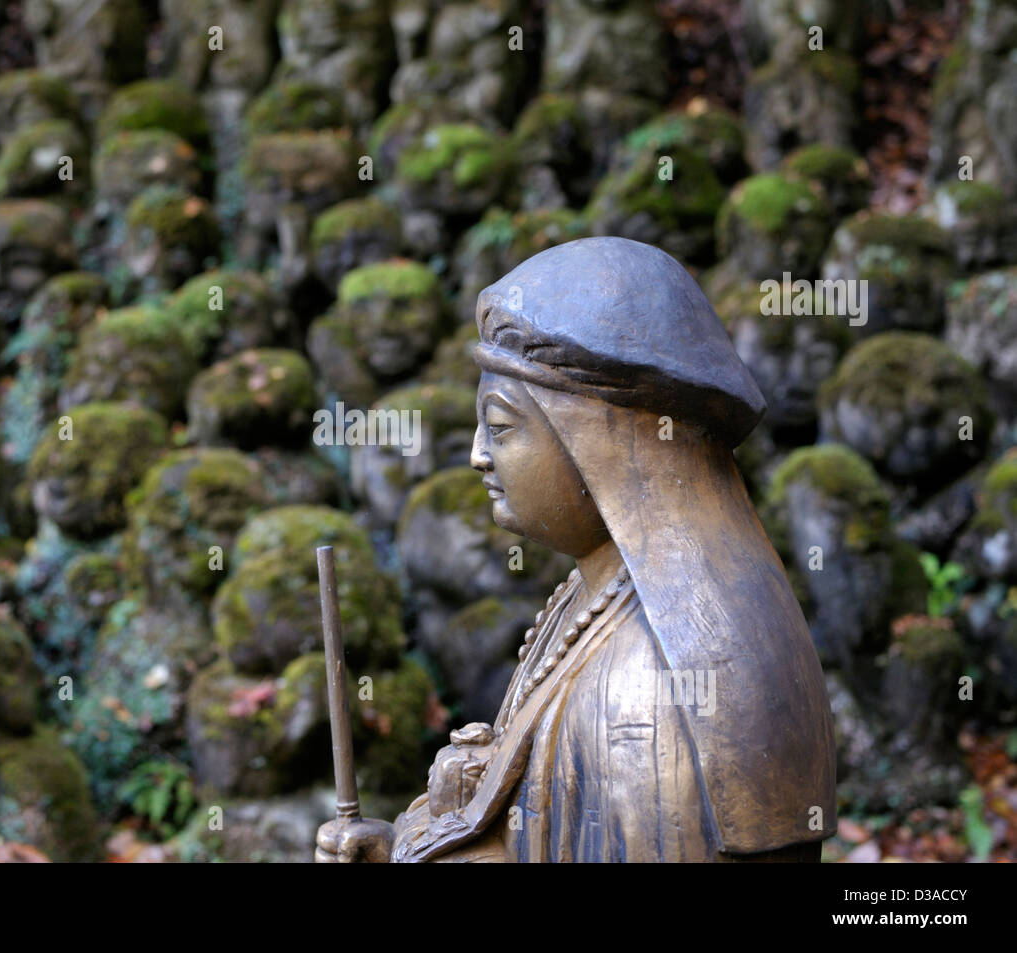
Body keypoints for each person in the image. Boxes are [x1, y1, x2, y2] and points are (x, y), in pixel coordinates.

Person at [316, 237, 836, 863]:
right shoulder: (599, 594)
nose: (478, 455)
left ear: (599, 440)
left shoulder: (651, 681)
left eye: (502, 427)